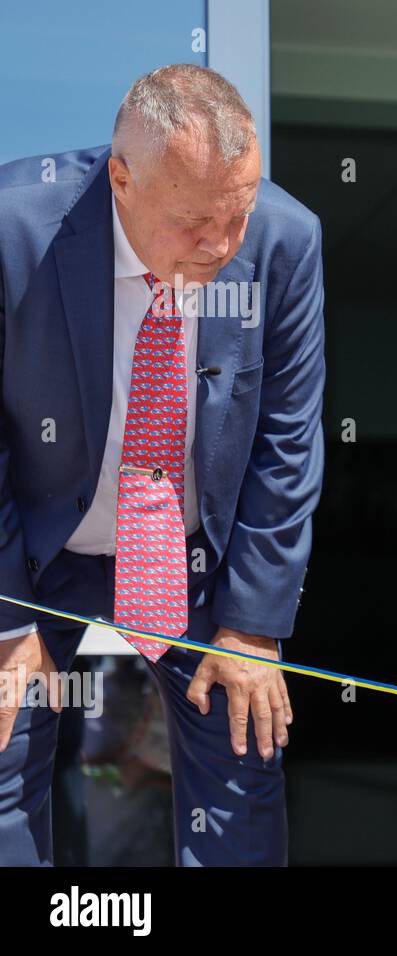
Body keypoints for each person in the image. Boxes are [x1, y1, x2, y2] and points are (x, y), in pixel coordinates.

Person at [0, 64, 326, 865]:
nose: (220, 246)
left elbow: (287, 438)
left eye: (236, 214)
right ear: (121, 178)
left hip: (201, 562)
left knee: (246, 764)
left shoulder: (286, 241)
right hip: (38, 554)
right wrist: (9, 618)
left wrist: (251, 626)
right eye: (193, 221)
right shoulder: (14, 229)